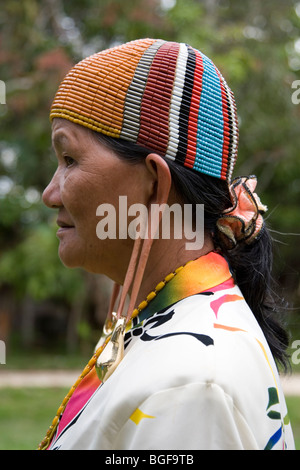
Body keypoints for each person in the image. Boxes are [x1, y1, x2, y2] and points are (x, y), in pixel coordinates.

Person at [39, 38, 294, 450]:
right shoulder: (181, 334)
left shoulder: (189, 387)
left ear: (155, 185)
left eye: (69, 160)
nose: (50, 193)